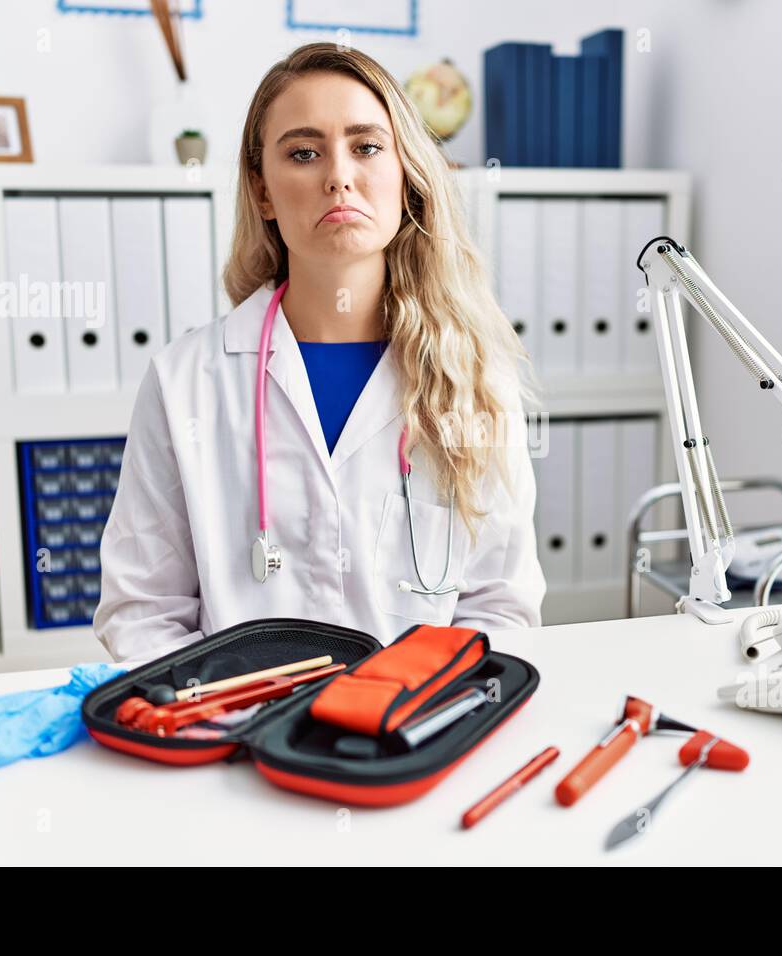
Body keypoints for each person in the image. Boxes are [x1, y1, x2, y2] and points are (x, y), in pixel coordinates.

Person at [94, 42, 545, 664]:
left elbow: (500, 607)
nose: (339, 175)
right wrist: (227, 723)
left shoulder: (476, 382)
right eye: (304, 153)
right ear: (263, 193)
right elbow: (142, 611)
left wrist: (411, 717)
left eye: (366, 147)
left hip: (411, 736)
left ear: (407, 174)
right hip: (234, 737)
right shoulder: (185, 382)